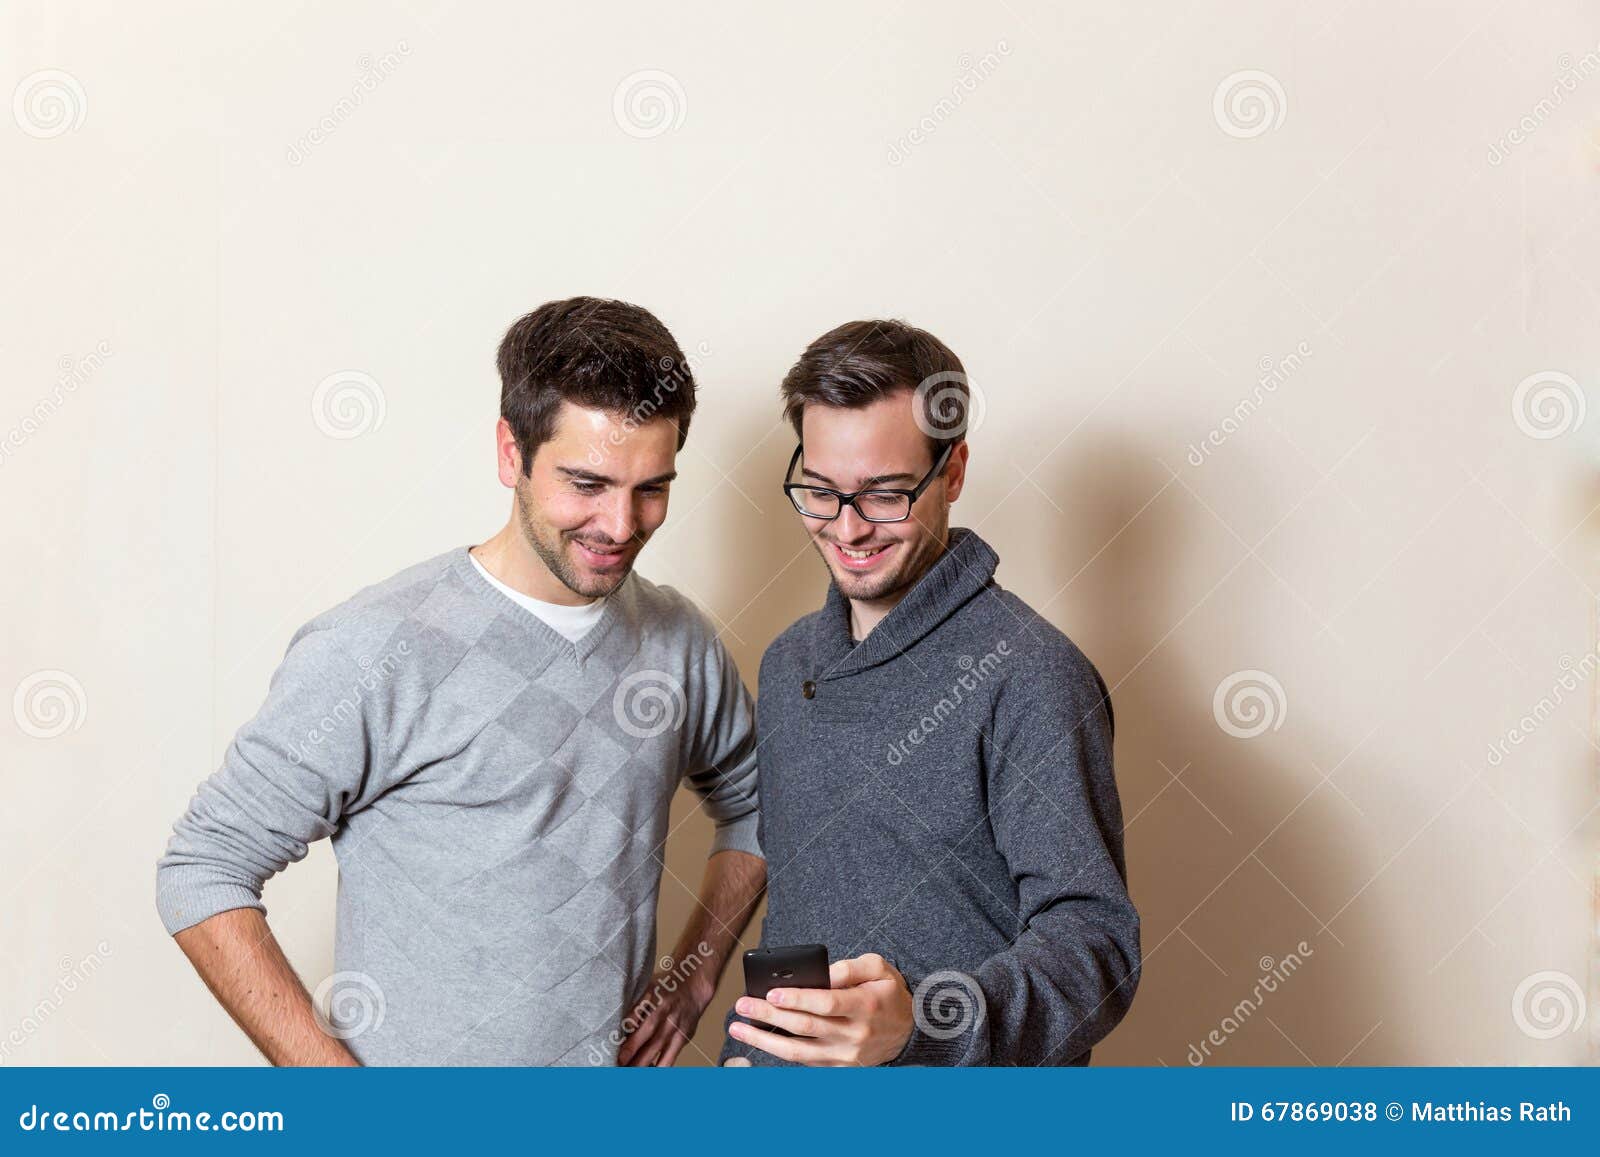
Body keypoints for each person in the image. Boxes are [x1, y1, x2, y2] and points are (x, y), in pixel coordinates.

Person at [156, 296, 765, 1066]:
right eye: (587, 483)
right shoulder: (376, 647)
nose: (620, 524)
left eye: (651, 488)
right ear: (511, 452)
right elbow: (203, 866)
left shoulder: (681, 643)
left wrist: (694, 977)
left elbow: (760, 803)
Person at [721, 320, 1139, 1066]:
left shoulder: (1032, 673)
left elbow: (1096, 945)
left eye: (885, 494)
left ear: (953, 472)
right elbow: (802, 904)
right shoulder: (787, 663)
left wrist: (924, 1024)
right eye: (820, 491)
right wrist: (755, 1053)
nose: (848, 529)